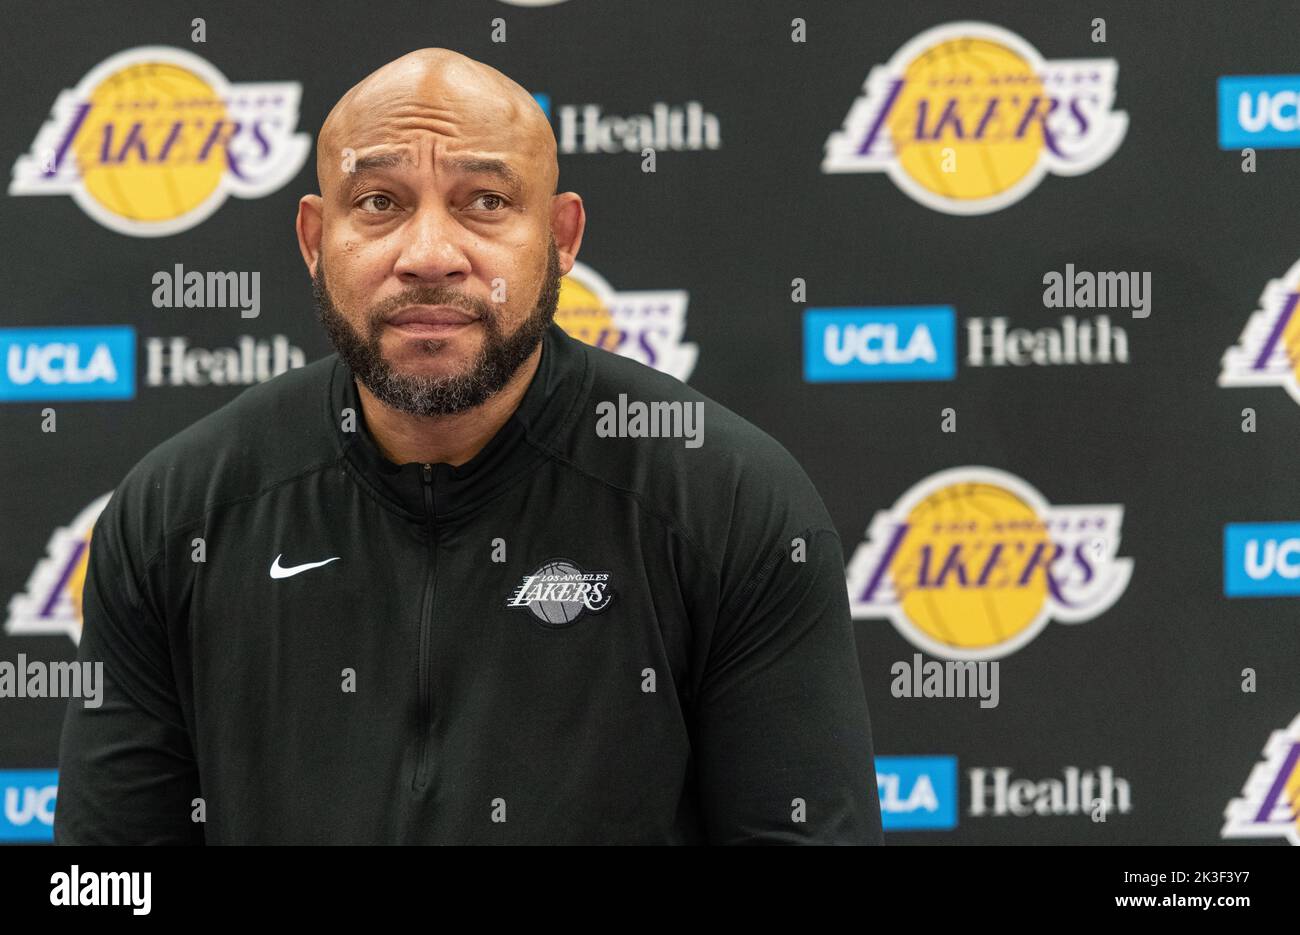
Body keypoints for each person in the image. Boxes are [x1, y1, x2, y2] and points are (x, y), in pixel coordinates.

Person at [54, 48, 883, 844]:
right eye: (379, 201)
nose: (428, 256)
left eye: (485, 201)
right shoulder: (177, 515)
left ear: (560, 237)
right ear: (314, 240)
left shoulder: (729, 501)